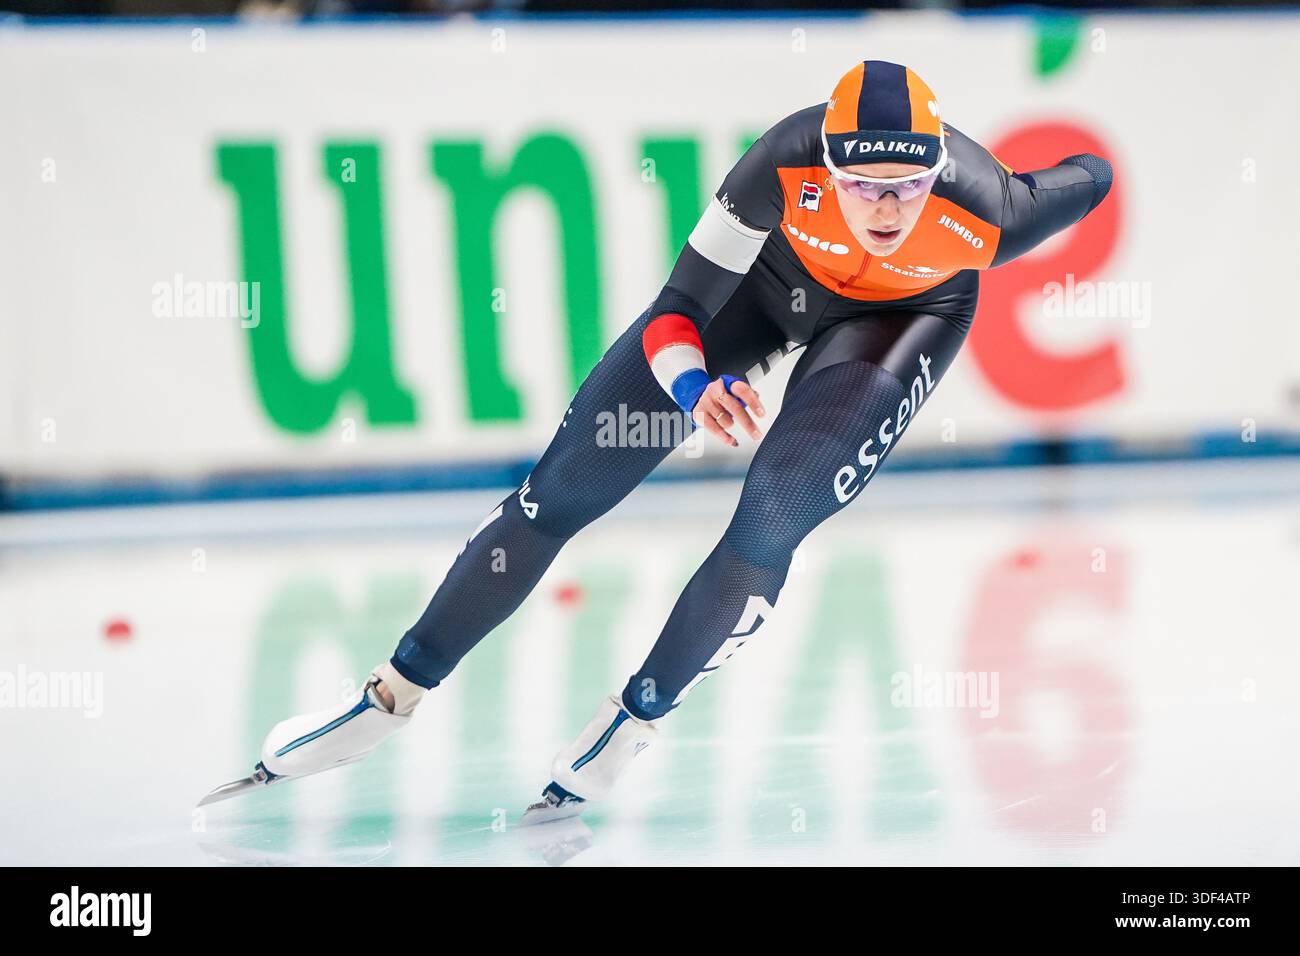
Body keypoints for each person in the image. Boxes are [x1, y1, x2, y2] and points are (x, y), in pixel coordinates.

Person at [207, 60, 1113, 821]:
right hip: (765, 291)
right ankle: (391, 695)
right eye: (863, 186)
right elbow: (680, 309)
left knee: (770, 518)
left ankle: (632, 721)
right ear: (826, 168)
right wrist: (694, 386)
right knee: (559, 491)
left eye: (908, 186)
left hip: (903, 320)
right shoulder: (776, 165)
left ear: (938, 172)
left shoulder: (986, 208)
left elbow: (1089, 176)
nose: (885, 208)